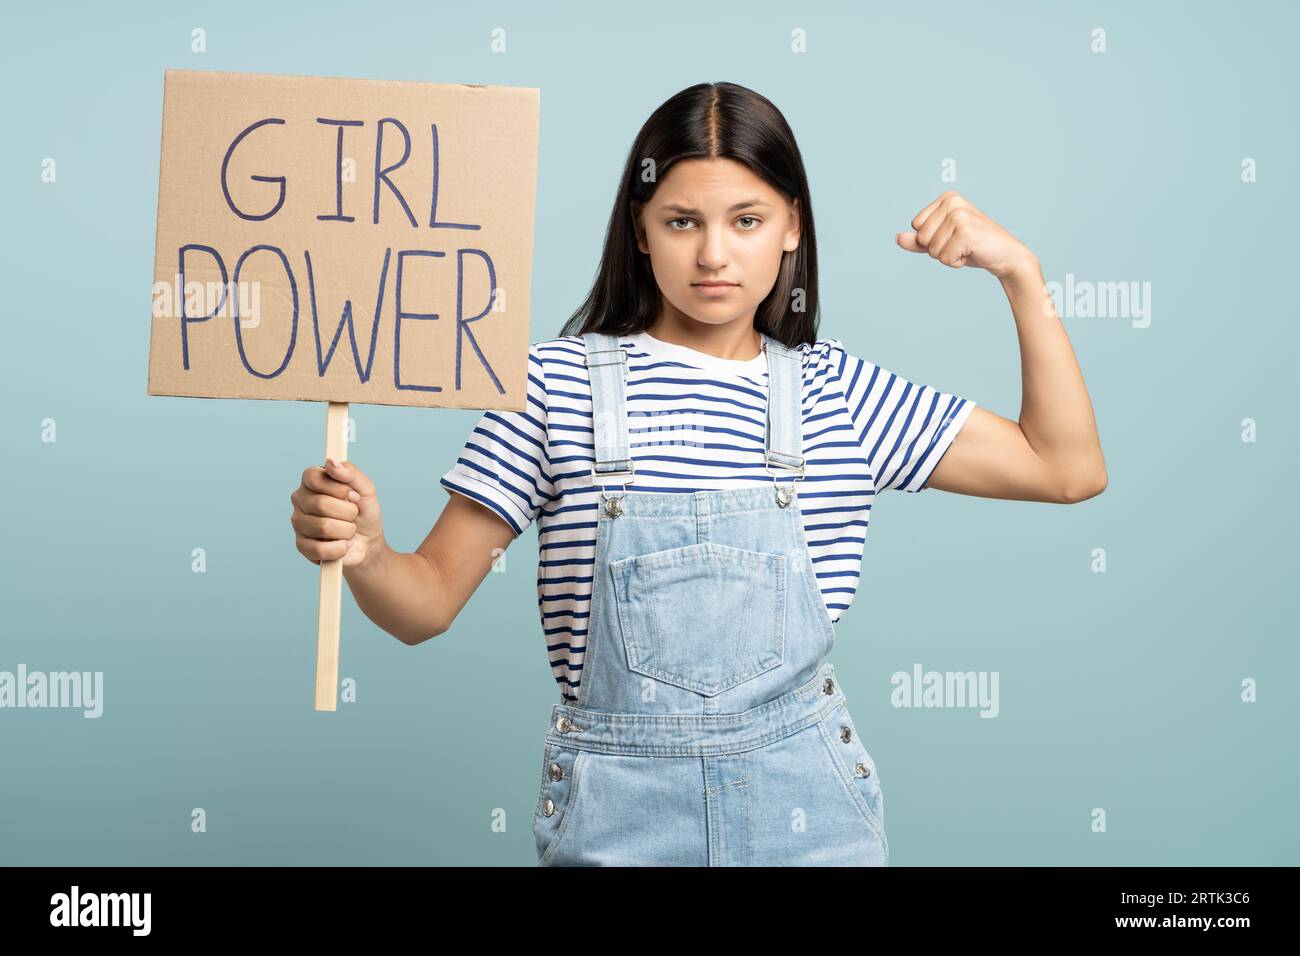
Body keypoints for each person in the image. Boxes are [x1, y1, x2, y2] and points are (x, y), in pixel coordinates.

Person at [288, 82, 1107, 867]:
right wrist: (365, 551)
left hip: (809, 822)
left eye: (746, 219)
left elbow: (1065, 467)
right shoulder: (552, 385)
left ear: (792, 226)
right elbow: (424, 604)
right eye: (682, 221)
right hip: (617, 821)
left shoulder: (839, 392)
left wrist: (1020, 274)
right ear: (640, 230)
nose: (714, 254)